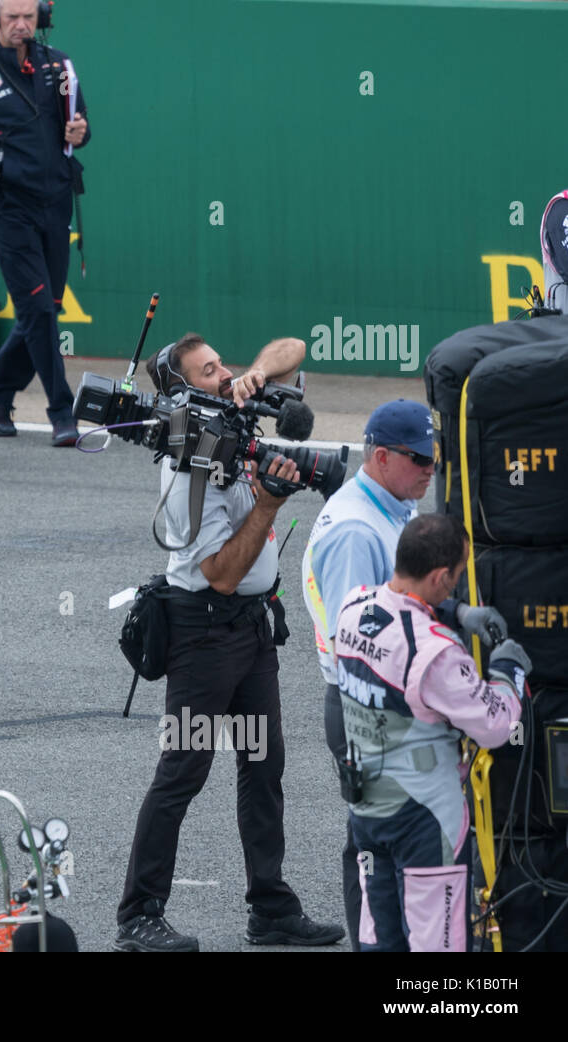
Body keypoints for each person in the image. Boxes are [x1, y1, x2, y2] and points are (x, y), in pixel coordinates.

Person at [113, 331, 344, 952]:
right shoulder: (186, 462)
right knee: (183, 772)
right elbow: (219, 573)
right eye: (208, 371)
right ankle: (137, 915)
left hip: (249, 628)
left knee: (264, 768)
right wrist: (268, 502)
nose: (223, 375)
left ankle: (270, 909)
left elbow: (293, 346)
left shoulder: (235, 421)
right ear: (183, 390)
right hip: (203, 631)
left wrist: (255, 375)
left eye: (222, 365)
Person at [301, 398, 506, 949]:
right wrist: (444, 673)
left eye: (434, 459)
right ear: (382, 456)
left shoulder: (393, 504)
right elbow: (358, 638)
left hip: (389, 697)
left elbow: (398, 596)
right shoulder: (355, 530)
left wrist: (454, 611)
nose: (430, 470)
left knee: (383, 839)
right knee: (377, 843)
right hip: (370, 702)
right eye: (420, 460)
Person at [334, 514, 526, 952]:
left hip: (366, 810)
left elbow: (398, 611)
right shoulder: (436, 652)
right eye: (455, 577)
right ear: (441, 576)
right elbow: (496, 724)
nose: (456, 584)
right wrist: (507, 671)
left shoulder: (353, 606)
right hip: (425, 820)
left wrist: (456, 611)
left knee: (378, 937)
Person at [0, 0, 89, 447]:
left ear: (42, 18)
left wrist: (80, 132)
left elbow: (81, 126)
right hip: (11, 209)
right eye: (11, 17)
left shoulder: (60, 66)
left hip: (57, 203)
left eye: (28, 17)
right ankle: (61, 411)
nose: (20, 25)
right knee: (37, 311)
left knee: (45, 310)